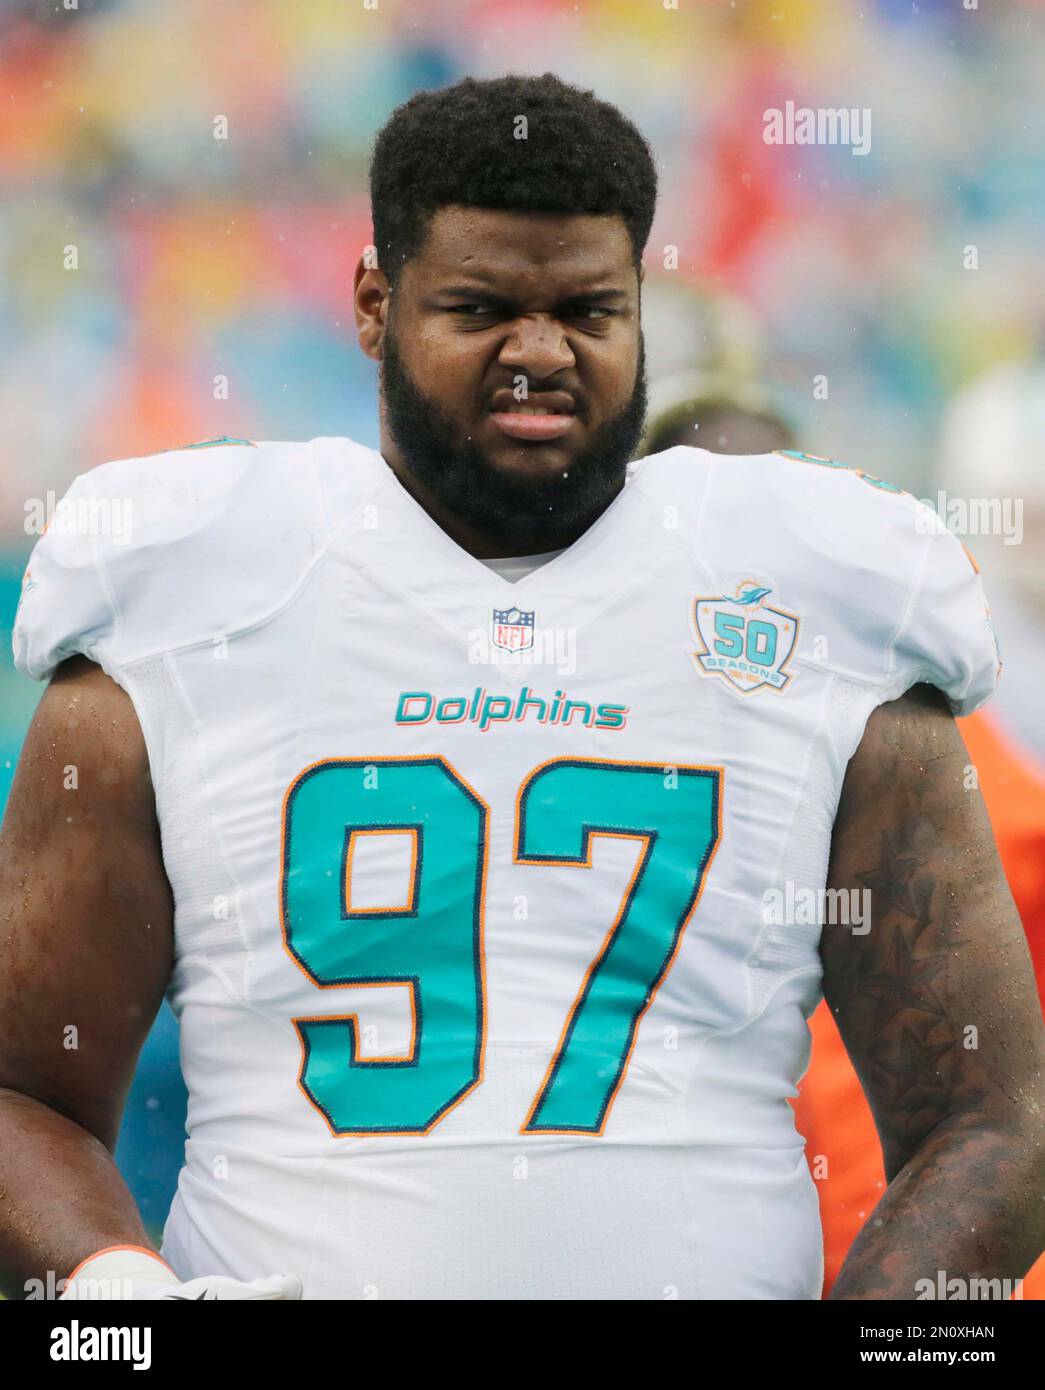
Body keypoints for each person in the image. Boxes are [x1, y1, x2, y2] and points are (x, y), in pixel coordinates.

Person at [1, 73, 1041, 1302]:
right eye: (483, 307)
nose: (539, 354)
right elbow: (25, 1087)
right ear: (374, 305)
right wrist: (116, 1300)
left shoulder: (814, 596)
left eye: (589, 310)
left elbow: (993, 1117)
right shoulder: (196, 589)